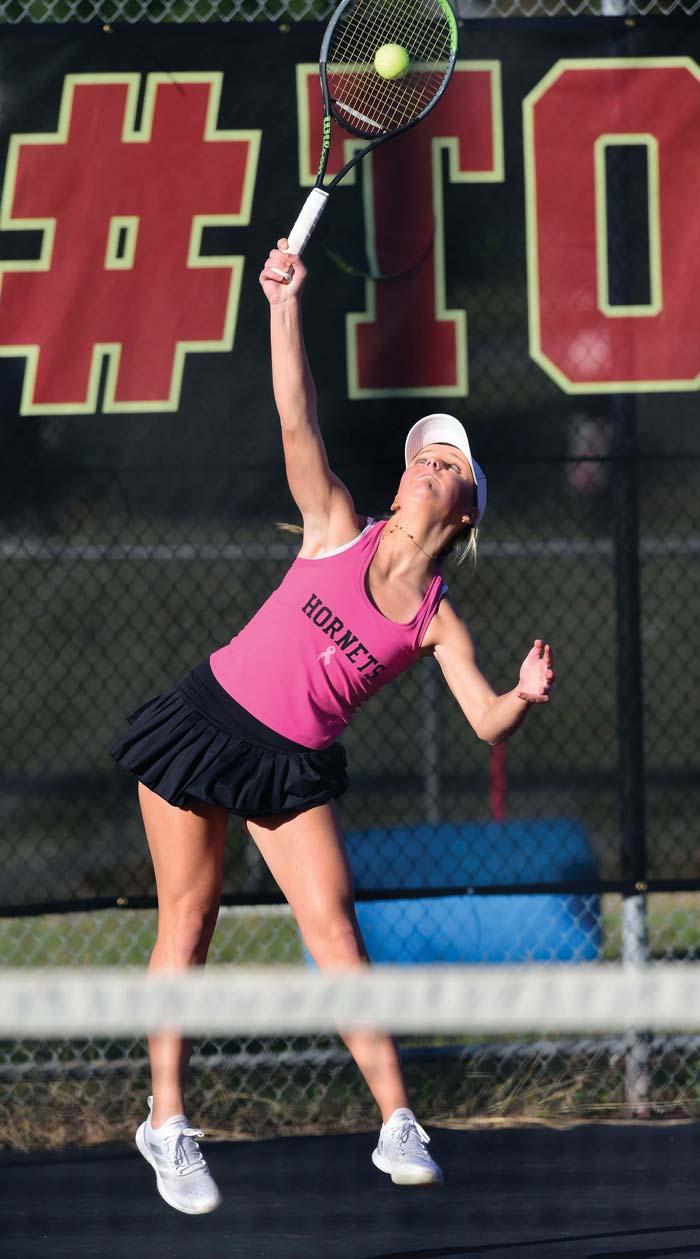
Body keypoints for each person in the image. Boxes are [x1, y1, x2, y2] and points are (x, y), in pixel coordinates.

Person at [109, 242, 555, 1216]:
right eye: (423, 457)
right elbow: (296, 414)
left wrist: (519, 693)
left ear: (465, 505)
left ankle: (397, 1120)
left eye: (451, 463)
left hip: (291, 764)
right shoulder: (334, 522)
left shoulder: (436, 617)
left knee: (333, 926)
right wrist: (281, 306)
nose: (431, 466)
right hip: (204, 721)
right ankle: (168, 1119)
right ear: (398, 488)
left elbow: (482, 719)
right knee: (188, 921)